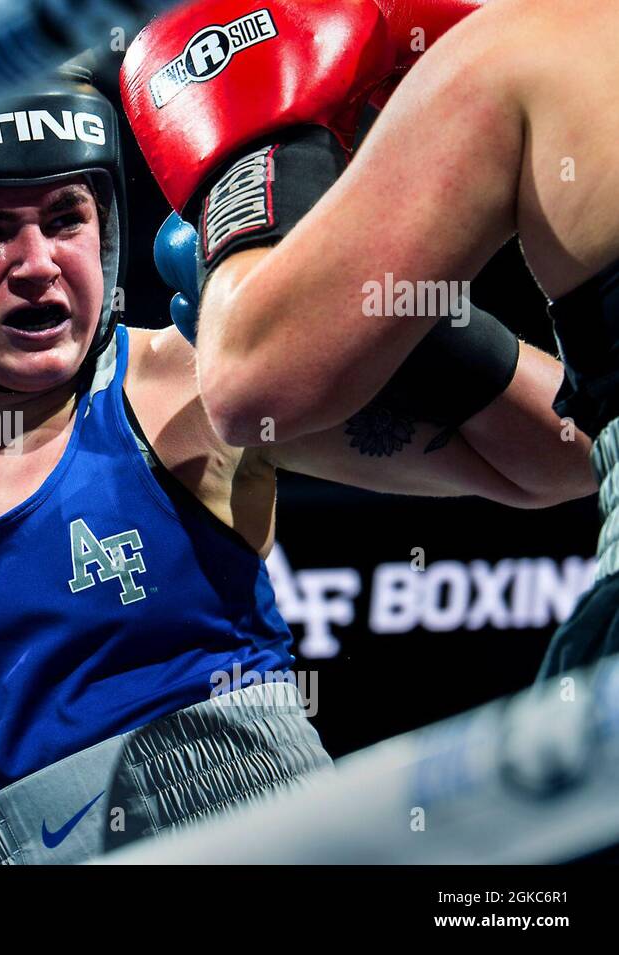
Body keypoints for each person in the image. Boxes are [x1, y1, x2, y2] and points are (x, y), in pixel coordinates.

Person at [0, 65, 594, 865]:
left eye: (66, 215)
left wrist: (392, 308)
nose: (40, 261)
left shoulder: (193, 381)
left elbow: (560, 462)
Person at [124, 0, 617, 678]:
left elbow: (251, 372)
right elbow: (571, 458)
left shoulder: (530, 43)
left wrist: (257, 186)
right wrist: (377, 301)